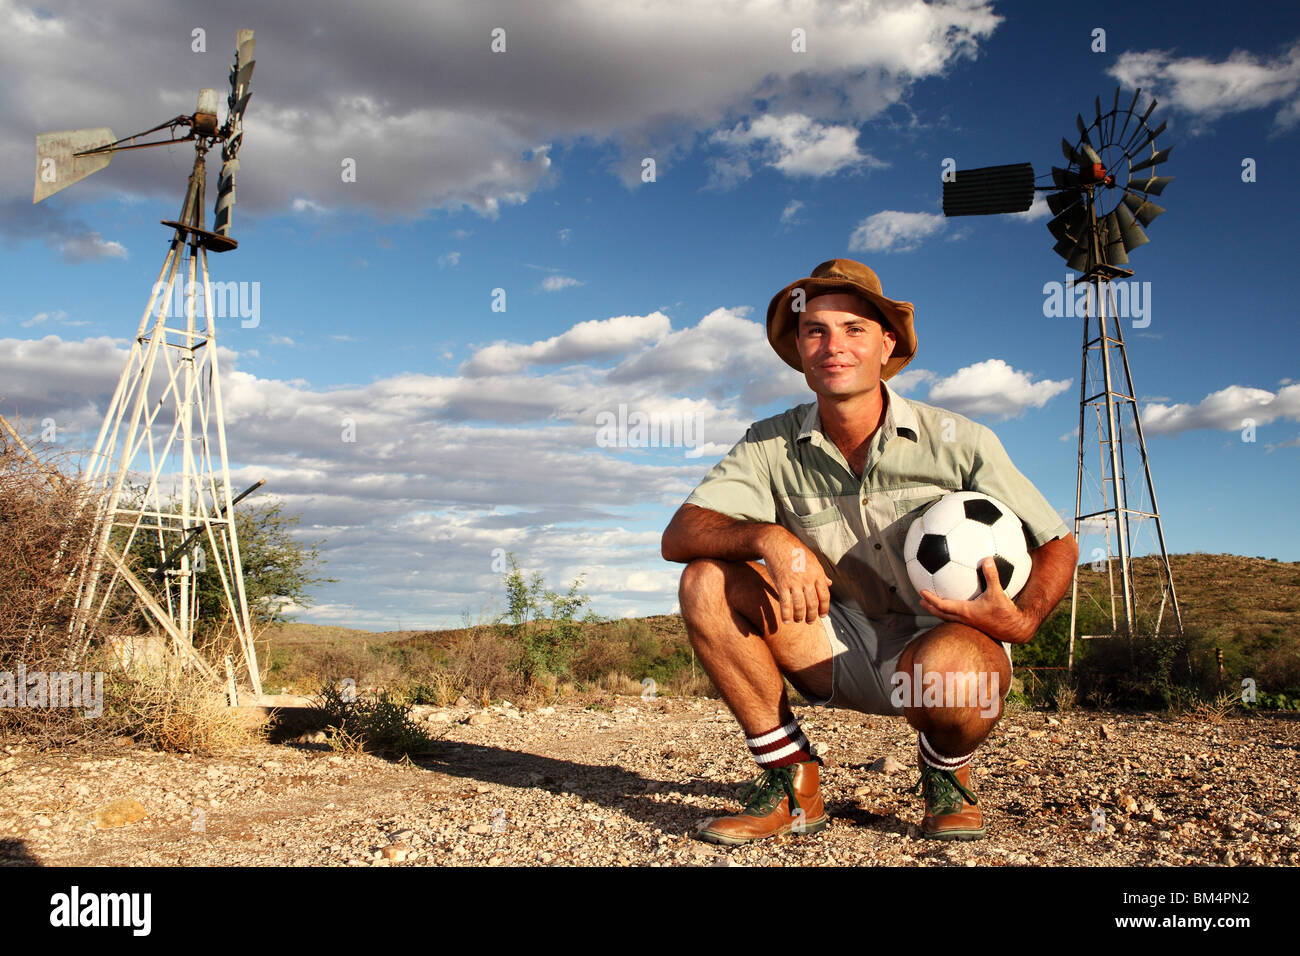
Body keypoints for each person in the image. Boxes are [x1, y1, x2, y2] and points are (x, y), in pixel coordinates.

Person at [661, 258, 1078, 844]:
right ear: (800, 350)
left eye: (854, 329)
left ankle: (945, 773)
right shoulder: (768, 443)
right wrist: (766, 536)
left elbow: (1057, 541)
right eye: (816, 331)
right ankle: (791, 781)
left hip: (947, 648)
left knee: (953, 672)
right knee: (705, 579)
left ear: (886, 344)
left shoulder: (959, 442)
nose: (834, 345)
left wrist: (1026, 616)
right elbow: (679, 534)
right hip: (835, 645)